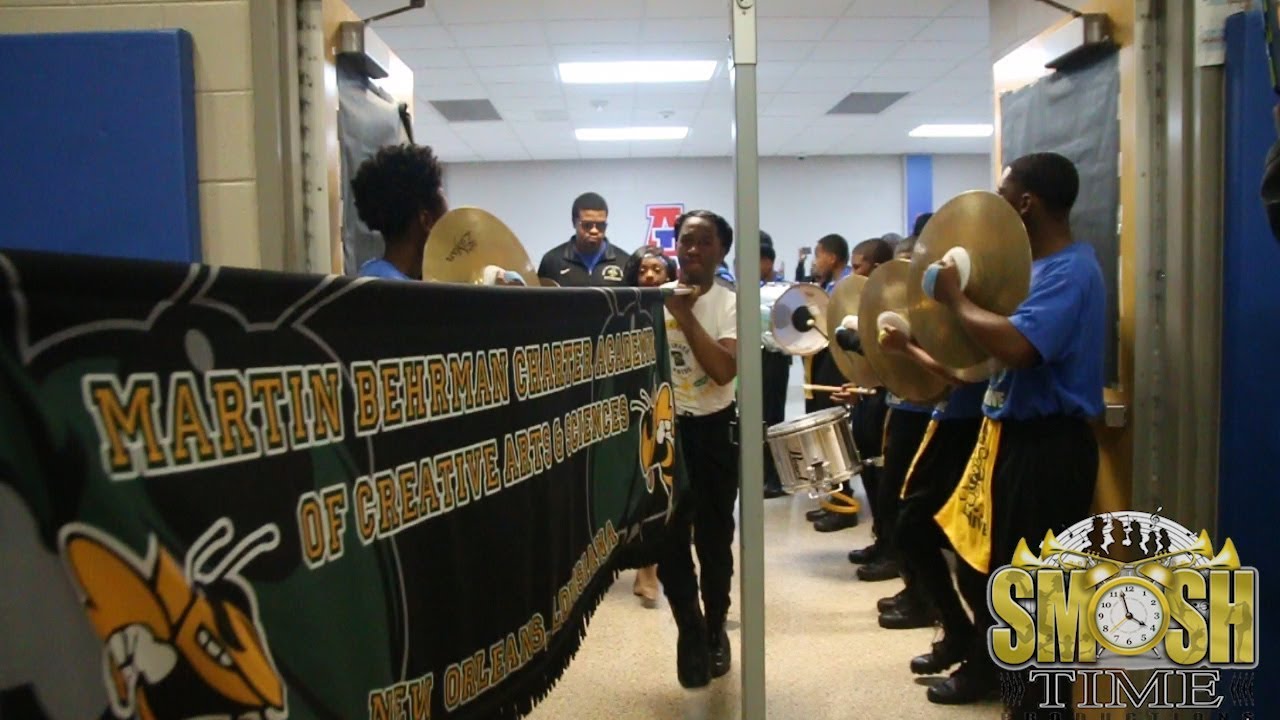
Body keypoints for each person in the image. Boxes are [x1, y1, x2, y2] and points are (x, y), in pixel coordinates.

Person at [927, 152, 1104, 705]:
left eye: (1004, 193)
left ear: (1026, 202)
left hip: (1049, 448)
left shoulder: (1071, 271)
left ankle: (1041, 709)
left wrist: (955, 299)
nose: (997, 203)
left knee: (1036, 598)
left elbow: (1021, 347)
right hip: (1012, 442)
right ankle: (1003, 686)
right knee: (997, 580)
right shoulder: (1034, 273)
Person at [872, 327, 986, 672]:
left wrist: (906, 346)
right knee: (911, 528)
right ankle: (958, 632)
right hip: (951, 419)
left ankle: (977, 652)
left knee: (966, 554)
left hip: (970, 425)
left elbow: (962, 376)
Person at [657, 210, 739, 689]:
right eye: (686, 241)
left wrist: (684, 316)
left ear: (721, 250)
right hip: (666, 432)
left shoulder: (729, 304)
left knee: (713, 539)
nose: (692, 250)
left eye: (704, 242)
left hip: (712, 431)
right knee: (668, 539)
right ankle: (689, 626)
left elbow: (724, 370)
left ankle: (715, 628)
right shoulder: (654, 300)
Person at [809, 237, 893, 535]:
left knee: (881, 469)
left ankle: (887, 544)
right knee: (866, 461)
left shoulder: (890, 305)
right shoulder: (843, 291)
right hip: (862, 386)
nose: (855, 272)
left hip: (887, 396)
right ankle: (879, 540)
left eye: (860, 267)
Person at [621, 246, 678, 608]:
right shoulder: (624, 311)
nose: (652, 276)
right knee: (638, 487)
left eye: (658, 269)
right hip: (633, 408)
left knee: (662, 483)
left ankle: (650, 567)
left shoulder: (679, 309)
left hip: (671, 407)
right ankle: (641, 564)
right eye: (644, 270)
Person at [349, 144, 448, 280]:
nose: (451, 226)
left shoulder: (373, 275)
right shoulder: (398, 293)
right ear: (426, 221)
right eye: (447, 219)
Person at [759, 235, 791, 499]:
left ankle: (777, 478)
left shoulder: (782, 290)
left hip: (775, 359)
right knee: (757, 418)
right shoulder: (750, 286)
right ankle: (762, 473)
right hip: (755, 359)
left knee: (773, 418)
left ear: (767, 262)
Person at [537, 192, 626, 287]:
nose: (594, 231)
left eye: (600, 225)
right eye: (587, 225)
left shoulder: (624, 262)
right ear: (574, 222)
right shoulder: (552, 261)